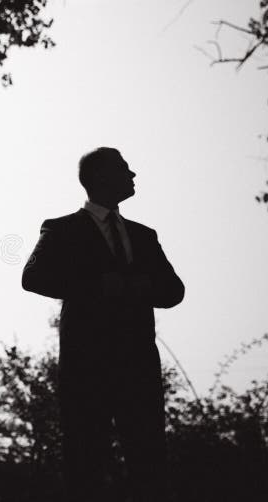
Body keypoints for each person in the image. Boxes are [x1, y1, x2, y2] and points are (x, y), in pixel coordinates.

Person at [22, 147, 185, 502]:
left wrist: (146, 286)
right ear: (101, 177)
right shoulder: (61, 229)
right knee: (84, 468)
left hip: (139, 370)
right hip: (86, 371)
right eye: (125, 168)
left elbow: (174, 291)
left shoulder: (144, 236)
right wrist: (93, 286)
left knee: (150, 467)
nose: (133, 175)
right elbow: (32, 277)